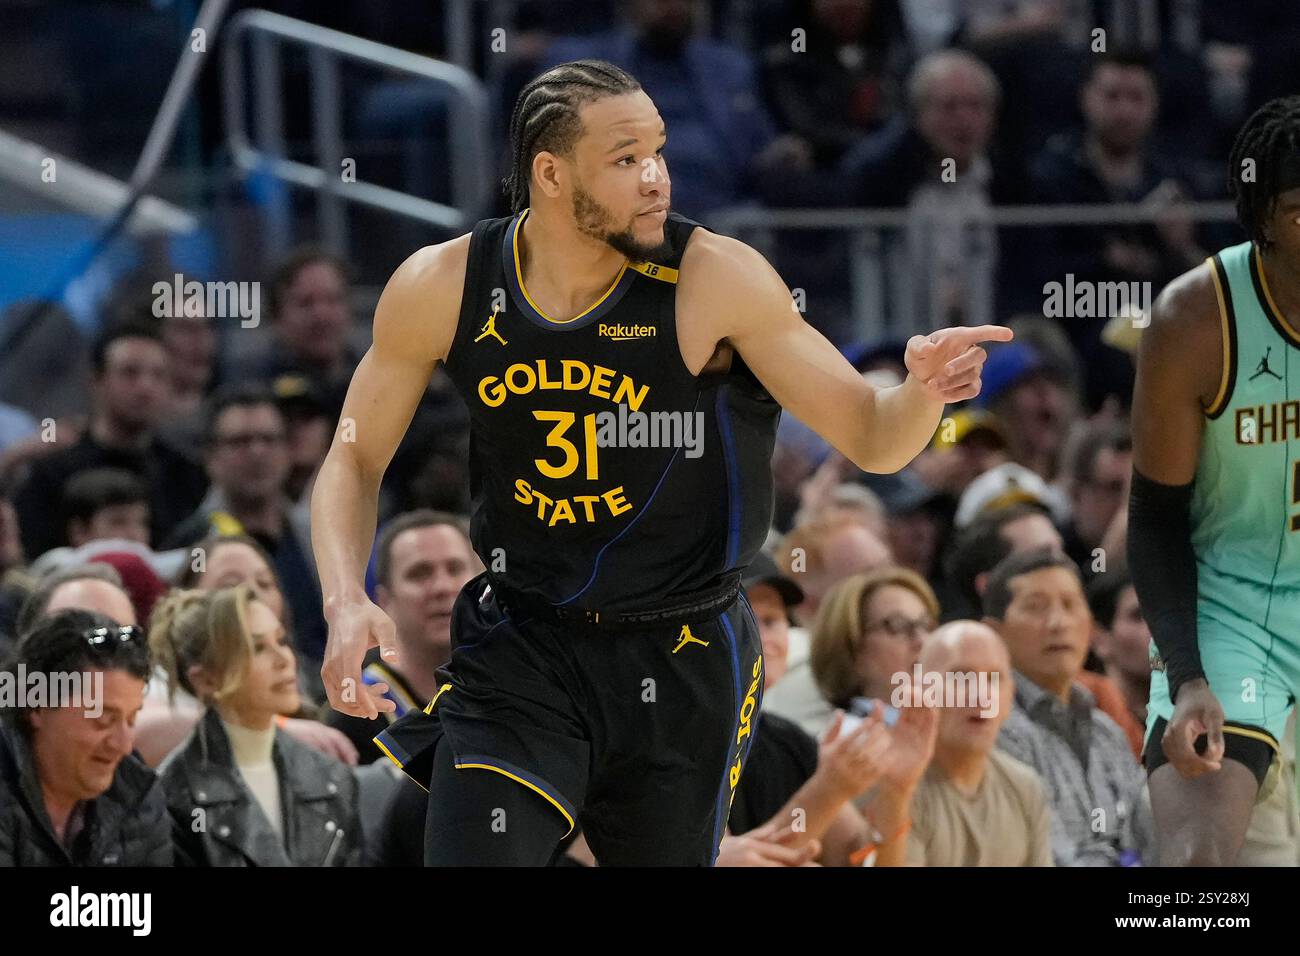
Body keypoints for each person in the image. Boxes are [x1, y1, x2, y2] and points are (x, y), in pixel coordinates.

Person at [312, 58, 1007, 866]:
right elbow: (353, 460)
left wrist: (923, 393)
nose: (655, 178)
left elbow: (875, 439)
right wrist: (341, 599)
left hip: (684, 654)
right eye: (624, 157)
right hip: (523, 643)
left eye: (659, 150)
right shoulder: (443, 284)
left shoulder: (715, 279)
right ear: (549, 172)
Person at [1128, 94, 1300, 866]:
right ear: (1261, 216)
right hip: (1231, 610)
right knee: (1197, 867)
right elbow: (1155, 517)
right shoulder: (1195, 320)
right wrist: (1188, 676)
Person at [152, 586, 361, 866]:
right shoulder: (172, 795)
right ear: (206, 680)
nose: (284, 659)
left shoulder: (333, 777)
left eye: (281, 640)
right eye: (257, 647)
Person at [983, 548, 1151, 866]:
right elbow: (1050, 857)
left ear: (1089, 625)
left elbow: (1149, 839)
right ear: (995, 632)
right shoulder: (992, 727)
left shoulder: (1106, 730)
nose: (1058, 622)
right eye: (1035, 607)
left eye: (1070, 605)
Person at [0, 608, 172, 866]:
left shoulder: (137, 792)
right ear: (36, 706)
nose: (123, 746)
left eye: (131, 719)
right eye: (102, 719)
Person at [881, 620, 1052, 867]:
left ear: (1010, 697)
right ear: (919, 689)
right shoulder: (891, 785)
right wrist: (894, 796)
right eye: (961, 678)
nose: (982, 695)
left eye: (994, 679)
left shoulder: (1026, 787)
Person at [325, 511, 479, 763]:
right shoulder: (354, 713)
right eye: (420, 573)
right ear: (384, 601)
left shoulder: (513, 687)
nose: (442, 587)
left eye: (455, 569)